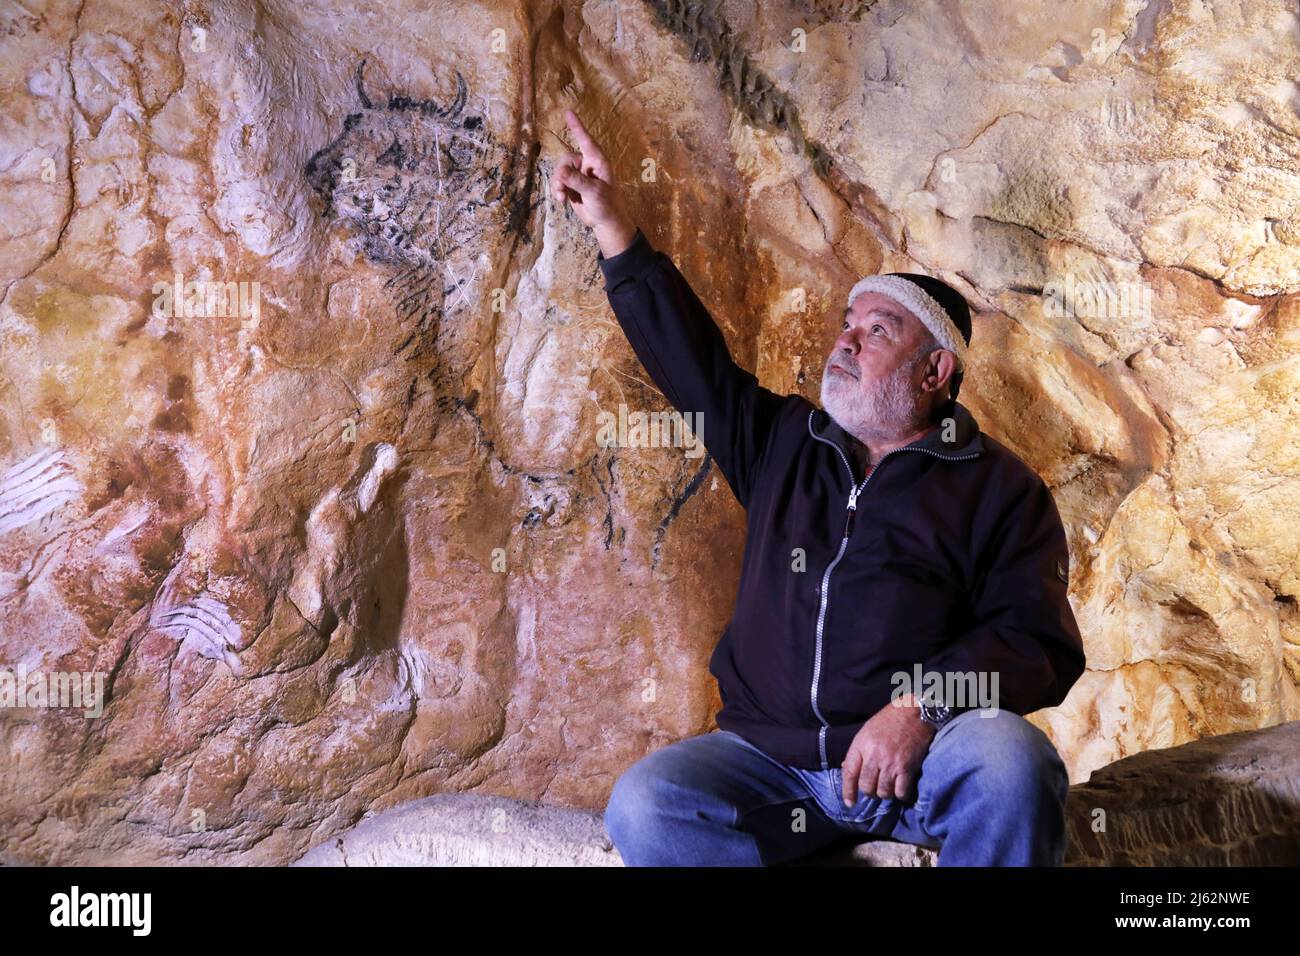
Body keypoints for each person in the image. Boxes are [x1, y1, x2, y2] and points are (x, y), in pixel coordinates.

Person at [550, 110, 1086, 866]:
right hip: (773, 764)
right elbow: (690, 363)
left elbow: (1036, 643)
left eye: (878, 331)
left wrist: (920, 708)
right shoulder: (782, 443)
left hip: (916, 766)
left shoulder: (1000, 488)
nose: (846, 339)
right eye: (848, 322)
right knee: (648, 803)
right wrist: (614, 230)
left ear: (934, 374)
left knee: (1010, 763)